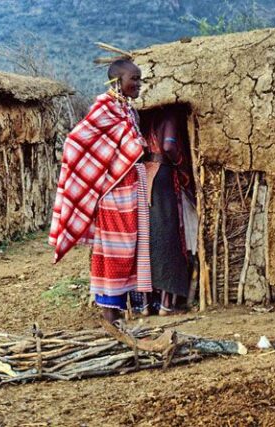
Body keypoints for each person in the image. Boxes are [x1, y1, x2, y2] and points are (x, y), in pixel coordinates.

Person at [49, 58, 151, 323]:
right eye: (134, 79)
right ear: (117, 81)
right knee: (113, 251)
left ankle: (120, 311)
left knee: (130, 249)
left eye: (140, 79)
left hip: (131, 188)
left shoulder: (127, 110)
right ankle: (109, 313)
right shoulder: (104, 108)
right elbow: (75, 142)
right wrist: (100, 178)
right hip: (114, 194)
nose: (138, 84)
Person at [138, 109, 196, 315]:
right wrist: (181, 163)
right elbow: (169, 145)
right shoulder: (168, 116)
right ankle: (165, 304)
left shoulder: (141, 117)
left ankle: (145, 304)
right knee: (168, 237)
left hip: (143, 173)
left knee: (146, 238)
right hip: (162, 174)